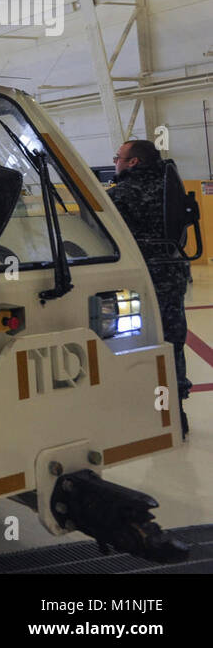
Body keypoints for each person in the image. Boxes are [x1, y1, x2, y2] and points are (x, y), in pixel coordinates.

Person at [108, 138, 191, 438]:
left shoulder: (124, 193)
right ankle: (175, 412)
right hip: (173, 271)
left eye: (118, 157)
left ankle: (150, 411)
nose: (115, 162)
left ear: (133, 162)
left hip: (140, 278)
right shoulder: (169, 186)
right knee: (173, 343)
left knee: (138, 343)